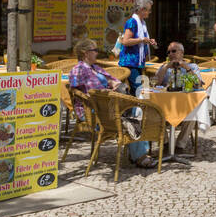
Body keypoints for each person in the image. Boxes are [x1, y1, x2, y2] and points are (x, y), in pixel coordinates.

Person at [67, 39, 156, 168]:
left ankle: (138, 153)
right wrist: (110, 92)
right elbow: (95, 94)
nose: (97, 53)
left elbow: (114, 81)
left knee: (139, 110)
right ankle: (139, 155)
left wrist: (115, 85)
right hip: (95, 111)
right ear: (85, 53)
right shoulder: (79, 70)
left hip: (109, 105)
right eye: (95, 50)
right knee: (132, 116)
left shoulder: (95, 67)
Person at [117, 0, 158, 96]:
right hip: (130, 62)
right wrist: (142, 40)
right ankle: (137, 110)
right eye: (148, 10)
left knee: (138, 89)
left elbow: (141, 39)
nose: (149, 12)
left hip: (137, 62)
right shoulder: (132, 22)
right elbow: (125, 41)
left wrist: (148, 41)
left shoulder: (142, 23)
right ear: (141, 9)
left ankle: (135, 110)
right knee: (138, 89)